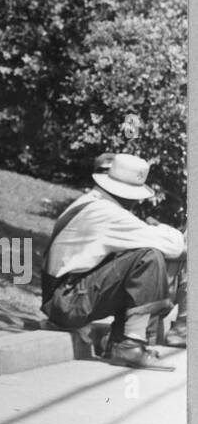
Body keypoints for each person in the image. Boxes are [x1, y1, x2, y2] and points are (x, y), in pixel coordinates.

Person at [41, 152, 186, 369]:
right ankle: (130, 345)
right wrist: (158, 228)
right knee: (148, 256)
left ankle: (120, 341)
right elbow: (174, 246)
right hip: (66, 301)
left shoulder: (95, 202)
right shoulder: (107, 213)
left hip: (65, 297)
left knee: (141, 255)